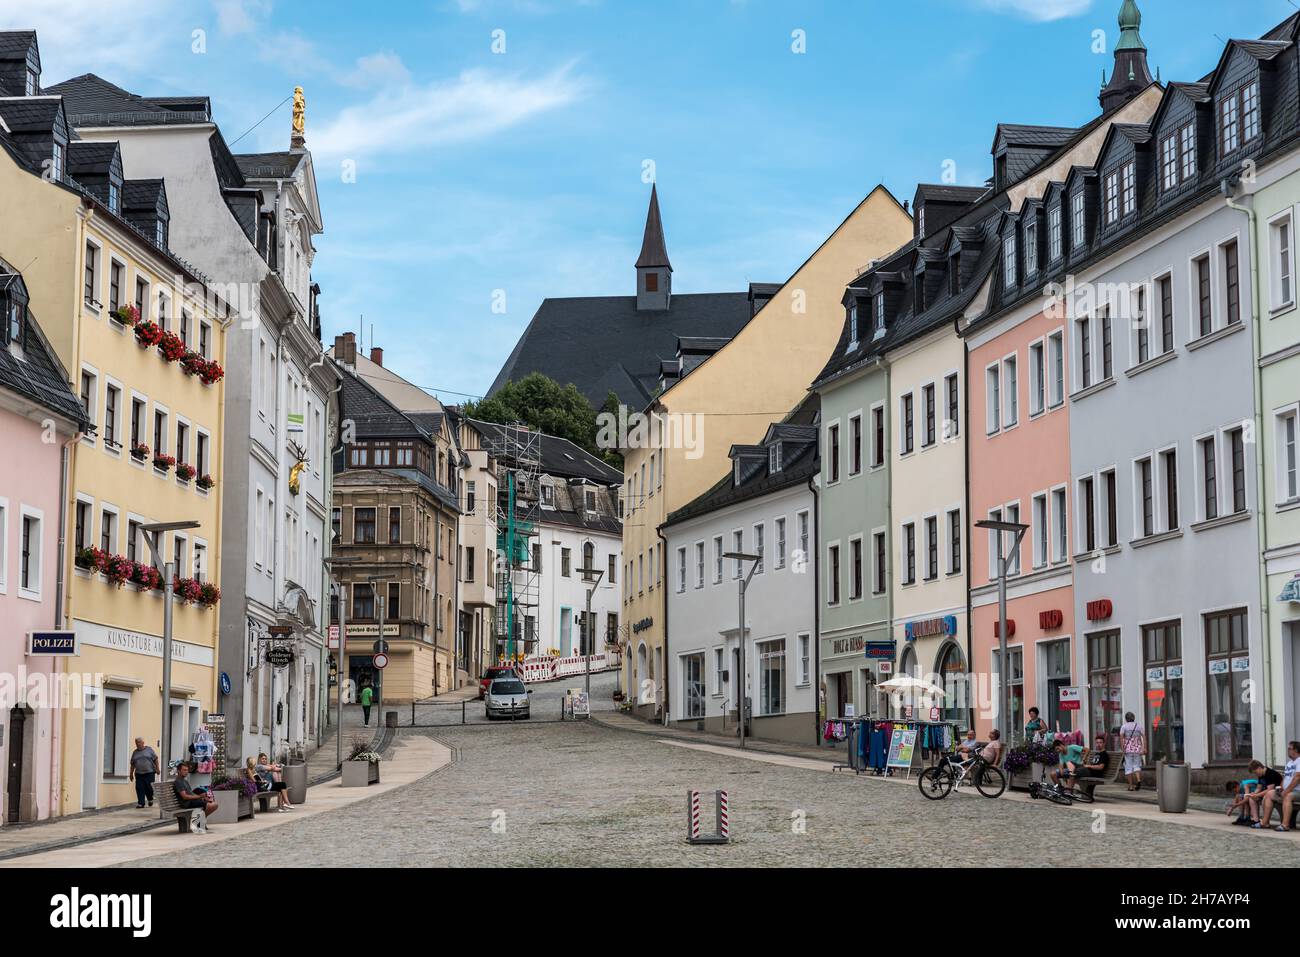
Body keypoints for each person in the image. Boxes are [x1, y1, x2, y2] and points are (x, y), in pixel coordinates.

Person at [1258, 741, 1300, 832]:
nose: (1288, 750)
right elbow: (1285, 778)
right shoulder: (1289, 763)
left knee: (1288, 796)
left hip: (1297, 791)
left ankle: (1285, 825)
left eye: (1289, 749)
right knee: (1269, 794)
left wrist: (1286, 791)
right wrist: (1281, 788)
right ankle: (1265, 822)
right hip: (1288, 790)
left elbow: (1297, 778)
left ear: (1295, 750)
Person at [172, 762, 217, 833]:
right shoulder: (178, 782)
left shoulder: (185, 781)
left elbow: (191, 793)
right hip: (186, 803)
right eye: (184, 770)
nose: (186, 772)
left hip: (191, 801)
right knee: (211, 805)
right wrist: (199, 796)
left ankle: (199, 821)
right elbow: (184, 797)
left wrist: (201, 797)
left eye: (187, 770)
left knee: (214, 804)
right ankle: (199, 821)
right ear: (178, 771)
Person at [128, 737, 159, 808]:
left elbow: (155, 759)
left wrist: (157, 769)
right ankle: (141, 803)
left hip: (149, 772)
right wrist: (131, 774)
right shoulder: (135, 752)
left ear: (143, 743)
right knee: (139, 787)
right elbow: (132, 764)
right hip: (139, 773)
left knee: (149, 788)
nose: (137, 744)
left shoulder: (149, 750)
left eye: (139, 742)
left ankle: (150, 799)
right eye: (136, 743)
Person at [1118, 712, 1145, 791]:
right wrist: (1144, 748)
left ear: (1126, 719)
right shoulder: (1139, 726)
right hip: (1137, 748)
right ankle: (1138, 780)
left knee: (1128, 767)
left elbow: (1121, 738)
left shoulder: (1124, 726)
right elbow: (1144, 737)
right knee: (1137, 766)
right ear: (1134, 717)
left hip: (1128, 749)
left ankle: (1131, 786)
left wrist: (1123, 748)